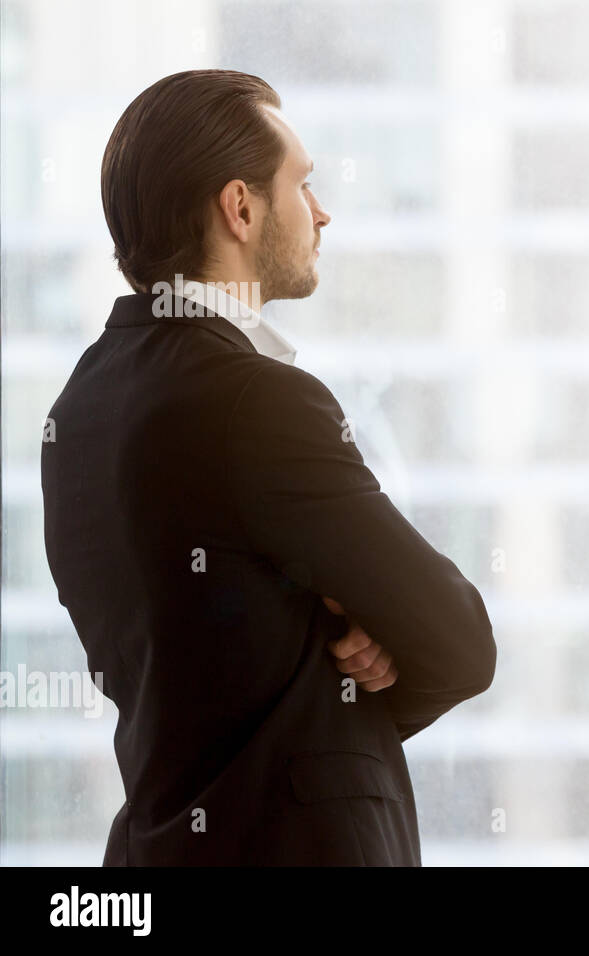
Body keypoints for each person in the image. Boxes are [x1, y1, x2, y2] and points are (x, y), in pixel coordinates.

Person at [41, 69, 495, 865]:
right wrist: (366, 671)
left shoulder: (77, 411)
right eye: (303, 185)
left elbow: (197, 653)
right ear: (240, 207)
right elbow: (459, 641)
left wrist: (350, 658)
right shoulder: (259, 401)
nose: (322, 212)